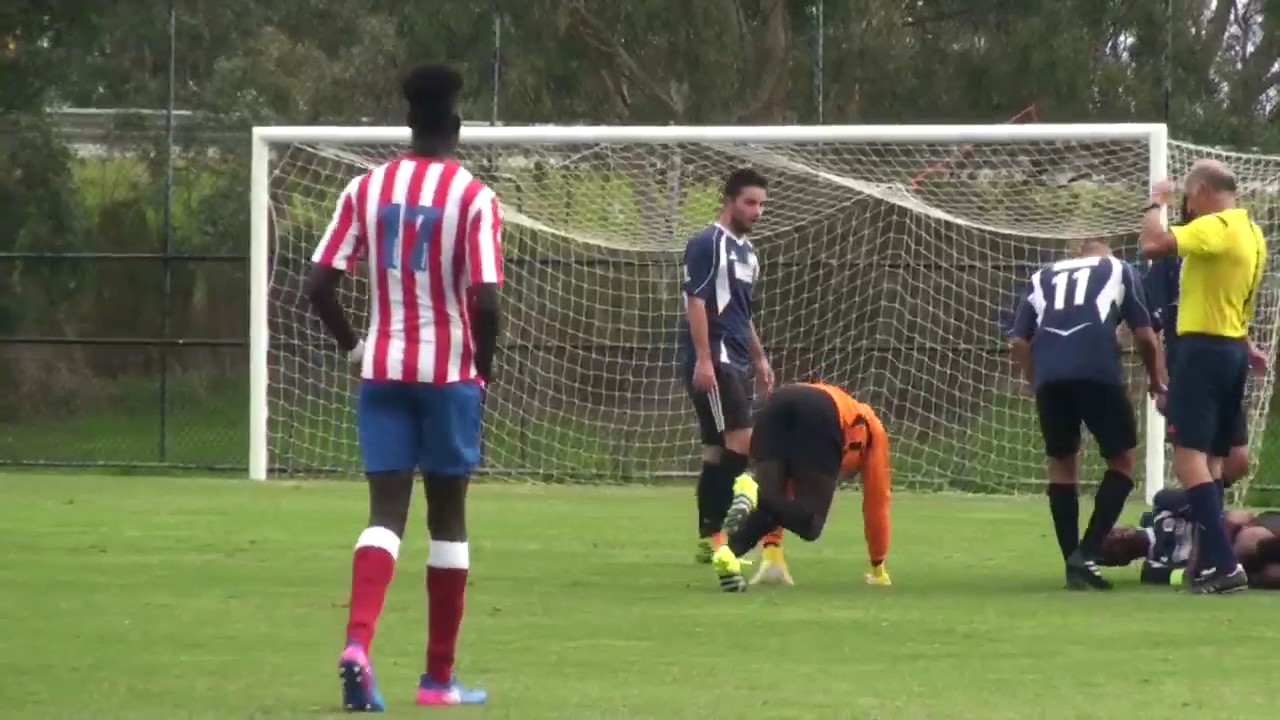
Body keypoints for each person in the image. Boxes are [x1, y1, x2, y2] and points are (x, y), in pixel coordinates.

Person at [305, 63, 501, 709]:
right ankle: (437, 681)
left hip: (382, 372)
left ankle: (358, 642)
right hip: (448, 376)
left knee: (384, 516)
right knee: (448, 525)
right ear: (457, 125)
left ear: (410, 122)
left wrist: (357, 347)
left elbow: (317, 286)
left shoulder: (366, 188)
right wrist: (485, 368)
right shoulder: (473, 196)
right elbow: (488, 298)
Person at [1008, 239, 1166, 590]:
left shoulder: (1043, 275)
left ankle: (1072, 562)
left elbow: (1018, 342)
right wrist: (1157, 380)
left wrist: (1037, 381)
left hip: (1050, 376)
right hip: (1097, 371)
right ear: (1106, 253)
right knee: (1122, 460)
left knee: (1063, 463)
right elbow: (1145, 334)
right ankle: (1089, 552)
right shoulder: (1118, 268)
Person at [1140, 159, 1267, 594]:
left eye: (1189, 199)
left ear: (1204, 192)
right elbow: (1240, 298)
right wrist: (1247, 344)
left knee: (1187, 454)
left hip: (1202, 350)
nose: (1187, 208)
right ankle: (1206, 562)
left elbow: (1153, 243)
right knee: (1212, 460)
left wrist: (1157, 201)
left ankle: (1225, 564)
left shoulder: (1216, 227)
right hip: (1232, 347)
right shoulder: (1253, 233)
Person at [709, 380, 891, 592]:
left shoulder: (845, 410)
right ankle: (754, 492)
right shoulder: (873, 432)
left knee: (770, 505)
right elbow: (877, 501)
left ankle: (727, 555)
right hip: (820, 411)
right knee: (811, 524)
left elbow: (779, 506)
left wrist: (772, 552)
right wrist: (878, 565)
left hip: (777, 403)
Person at [680, 169, 774, 564]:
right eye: (750, 202)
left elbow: (743, 313)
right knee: (743, 443)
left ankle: (710, 536)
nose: (757, 211)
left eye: (762, 204)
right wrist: (703, 359)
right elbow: (696, 303)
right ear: (729, 201)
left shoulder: (748, 253)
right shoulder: (707, 243)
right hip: (715, 359)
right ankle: (730, 526)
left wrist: (758, 356)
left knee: (717, 453)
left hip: (736, 357)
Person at [1144, 196, 1250, 494]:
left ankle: (1191, 511)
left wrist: (1247, 345)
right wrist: (1161, 379)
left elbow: (1229, 307)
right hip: (1188, 366)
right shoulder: (1170, 255)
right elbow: (1154, 325)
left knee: (1235, 459)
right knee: (1196, 456)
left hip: (1223, 361)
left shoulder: (1230, 242)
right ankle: (1201, 524)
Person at [1100, 489, 1280, 589]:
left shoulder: (1163, 506)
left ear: (1122, 526)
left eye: (1111, 533)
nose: (1117, 538)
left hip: (1245, 531)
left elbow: (1213, 511)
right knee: (1270, 575)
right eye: (1112, 549)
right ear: (1120, 562)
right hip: (1238, 566)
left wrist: (1222, 533)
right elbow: (1188, 576)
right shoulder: (1153, 570)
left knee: (1249, 540)